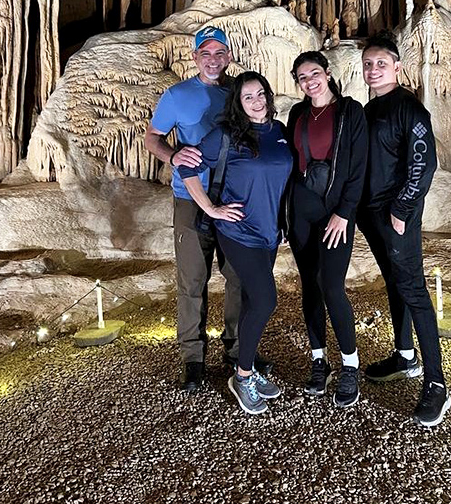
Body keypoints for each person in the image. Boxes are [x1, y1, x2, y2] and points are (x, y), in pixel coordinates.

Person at [144, 26, 269, 394]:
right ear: (195, 57)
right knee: (192, 280)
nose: (213, 60)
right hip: (190, 199)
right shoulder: (177, 95)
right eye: (205, 53)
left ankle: (237, 348)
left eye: (219, 53)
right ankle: (193, 358)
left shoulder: (239, 92)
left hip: (233, 200)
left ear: (228, 56)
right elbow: (152, 138)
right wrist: (172, 155)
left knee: (238, 277)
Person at [178, 72, 293, 415]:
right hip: (238, 232)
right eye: (248, 97)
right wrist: (210, 208)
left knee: (250, 299)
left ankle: (247, 364)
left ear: (268, 96)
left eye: (260, 94)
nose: (256, 101)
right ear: (238, 104)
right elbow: (187, 168)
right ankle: (242, 376)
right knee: (266, 299)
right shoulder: (226, 135)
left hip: (269, 232)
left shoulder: (279, 131)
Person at [358, 31, 451, 427]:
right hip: (370, 213)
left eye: (381, 63)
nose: (373, 70)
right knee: (395, 283)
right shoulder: (370, 109)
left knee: (412, 289)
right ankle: (404, 356)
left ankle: (436, 384)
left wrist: (402, 209)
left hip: (396, 214)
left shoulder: (409, 109)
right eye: (368, 64)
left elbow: (423, 165)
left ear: (397, 67)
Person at [286, 52, 368, 408]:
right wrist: (285, 216)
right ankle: (319, 359)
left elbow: (359, 168)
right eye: (302, 77)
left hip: (334, 213)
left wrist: (344, 213)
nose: (310, 81)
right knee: (309, 286)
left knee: (332, 286)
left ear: (328, 73)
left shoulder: (350, 111)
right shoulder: (297, 114)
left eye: (314, 73)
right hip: (302, 212)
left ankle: (350, 364)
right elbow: (291, 166)